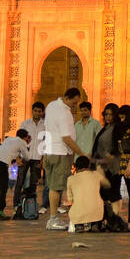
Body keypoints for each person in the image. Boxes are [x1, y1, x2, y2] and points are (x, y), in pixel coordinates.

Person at [43, 87, 86, 229]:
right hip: (60, 153)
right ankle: (53, 219)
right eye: (74, 103)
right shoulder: (64, 113)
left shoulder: (51, 105)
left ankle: (53, 217)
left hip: (49, 151)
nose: (75, 106)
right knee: (56, 187)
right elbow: (66, 137)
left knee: (52, 187)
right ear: (67, 98)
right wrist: (80, 153)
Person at [0, 129, 31, 219]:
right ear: (25, 137)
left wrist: (16, 157)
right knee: (4, 187)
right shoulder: (22, 142)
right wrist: (27, 147)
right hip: (2, 163)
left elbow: (10, 151)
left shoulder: (9, 139)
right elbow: (27, 157)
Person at [66, 156, 109, 232]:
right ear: (89, 165)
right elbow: (107, 184)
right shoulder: (96, 174)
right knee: (102, 203)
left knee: (75, 208)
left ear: (75, 167)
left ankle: (79, 225)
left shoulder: (70, 179)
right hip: (97, 212)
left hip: (78, 213)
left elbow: (70, 199)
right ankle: (95, 224)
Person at [15, 102, 46, 210]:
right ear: (32, 111)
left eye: (39, 111)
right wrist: (17, 157)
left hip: (37, 157)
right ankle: (17, 205)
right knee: (20, 181)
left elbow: (46, 142)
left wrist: (43, 159)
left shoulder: (45, 125)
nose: (37, 113)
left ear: (42, 112)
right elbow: (18, 140)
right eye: (35, 111)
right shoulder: (25, 124)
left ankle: (30, 205)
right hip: (24, 156)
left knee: (33, 183)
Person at [73, 102, 101, 167]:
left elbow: (100, 140)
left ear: (90, 110)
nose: (83, 112)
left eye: (85, 110)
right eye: (81, 110)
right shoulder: (76, 125)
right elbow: (74, 140)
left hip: (90, 157)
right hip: (78, 157)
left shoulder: (96, 123)